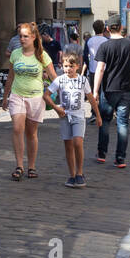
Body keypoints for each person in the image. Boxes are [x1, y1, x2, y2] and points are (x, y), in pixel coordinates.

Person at [3, 22, 56, 181]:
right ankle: (19, 165)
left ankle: (31, 166)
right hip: (17, 95)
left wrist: (57, 92)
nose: (22, 39)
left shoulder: (42, 55)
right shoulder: (15, 54)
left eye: (25, 36)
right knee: (17, 128)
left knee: (31, 133)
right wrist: (5, 96)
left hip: (35, 97)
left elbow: (54, 77)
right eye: (20, 36)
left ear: (33, 37)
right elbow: (10, 76)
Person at [45, 53, 101, 188]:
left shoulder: (83, 80)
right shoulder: (59, 80)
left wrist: (98, 115)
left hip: (79, 117)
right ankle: (72, 174)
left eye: (71, 66)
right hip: (65, 117)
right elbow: (46, 95)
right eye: (65, 66)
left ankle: (80, 172)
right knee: (68, 145)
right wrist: (56, 108)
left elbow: (91, 98)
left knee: (77, 142)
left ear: (77, 66)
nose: (68, 69)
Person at [92, 22, 130, 168]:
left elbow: (100, 69)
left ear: (108, 29)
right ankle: (120, 158)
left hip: (108, 89)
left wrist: (95, 90)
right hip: (125, 89)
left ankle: (102, 153)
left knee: (105, 121)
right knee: (122, 123)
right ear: (121, 27)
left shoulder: (105, 46)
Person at [83, 20, 108, 92]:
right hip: (104, 69)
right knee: (104, 91)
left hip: (92, 68)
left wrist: (88, 65)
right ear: (103, 29)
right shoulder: (106, 40)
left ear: (93, 29)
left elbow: (85, 56)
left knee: (94, 90)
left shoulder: (89, 41)